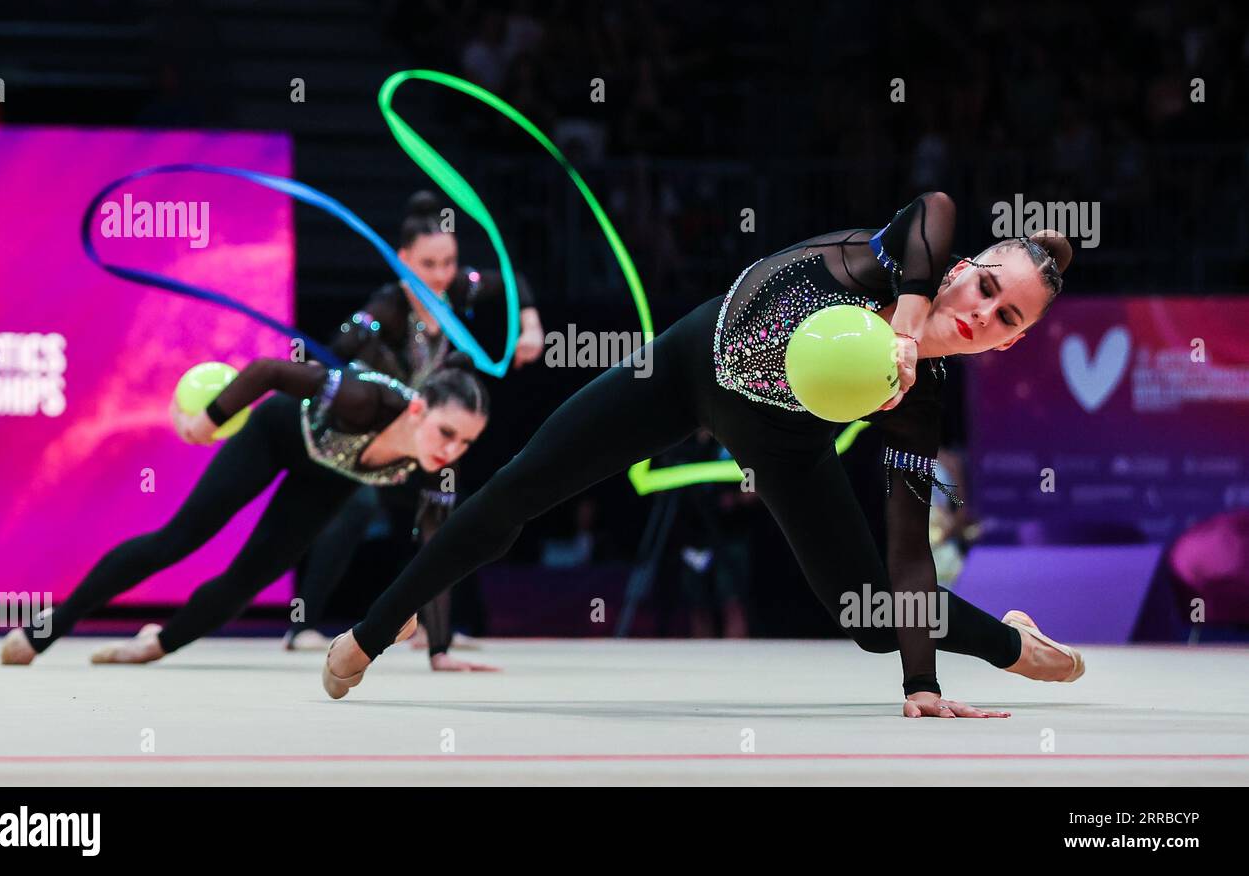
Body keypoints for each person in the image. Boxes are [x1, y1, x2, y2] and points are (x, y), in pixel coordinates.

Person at [321, 191, 1084, 718]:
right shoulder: (887, 262)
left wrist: (921, 681)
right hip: (685, 368)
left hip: (782, 445)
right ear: (958, 270)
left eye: (1003, 318)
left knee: (877, 619)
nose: (980, 312)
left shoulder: (917, 402)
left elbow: (908, 548)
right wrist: (910, 329)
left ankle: (1013, 642)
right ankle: (373, 630)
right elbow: (936, 208)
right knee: (514, 494)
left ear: (1009, 343)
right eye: (984, 286)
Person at [0, 358, 488, 665]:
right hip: (275, 436)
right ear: (419, 410)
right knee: (178, 541)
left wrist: (440, 650)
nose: (453, 451)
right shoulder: (365, 399)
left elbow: (436, 556)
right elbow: (267, 372)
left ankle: (159, 644)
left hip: (327, 480)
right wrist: (205, 421)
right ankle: (49, 628)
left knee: (244, 584)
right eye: (448, 433)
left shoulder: (434, 467)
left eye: (467, 442)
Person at [283, 190, 542, 670]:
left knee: (447, 517)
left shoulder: (458, 290)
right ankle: (303, 625)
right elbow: (334, 355)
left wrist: (530, 328)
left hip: (426, 439)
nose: (442, 275)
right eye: (429, 264)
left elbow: (516, 282)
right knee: (353, 510)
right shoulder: (386, 311)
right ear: (402, 261)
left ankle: (436, 634)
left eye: (449, 262)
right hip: (374, 438)